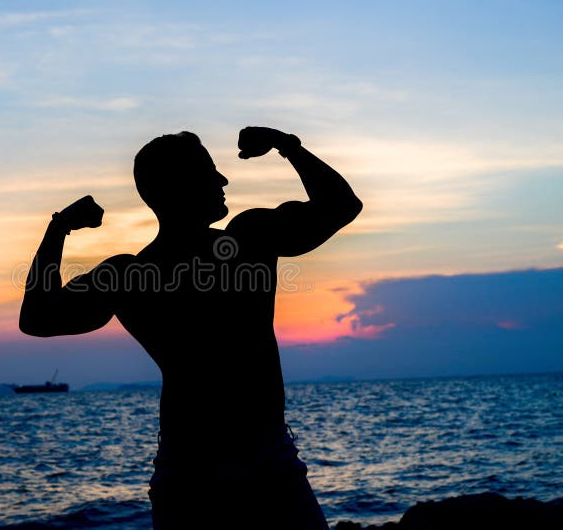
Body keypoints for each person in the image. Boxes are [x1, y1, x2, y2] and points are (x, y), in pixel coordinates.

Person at [20, 126, 362, 528]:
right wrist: (286, 146)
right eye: (209, 171)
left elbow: (37, 316)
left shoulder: (130, 274)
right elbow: (341, 205)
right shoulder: (248, 239)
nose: (222, 180)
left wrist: (60, 227)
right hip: (257, 464)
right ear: (178, 186)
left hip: (189, 471)